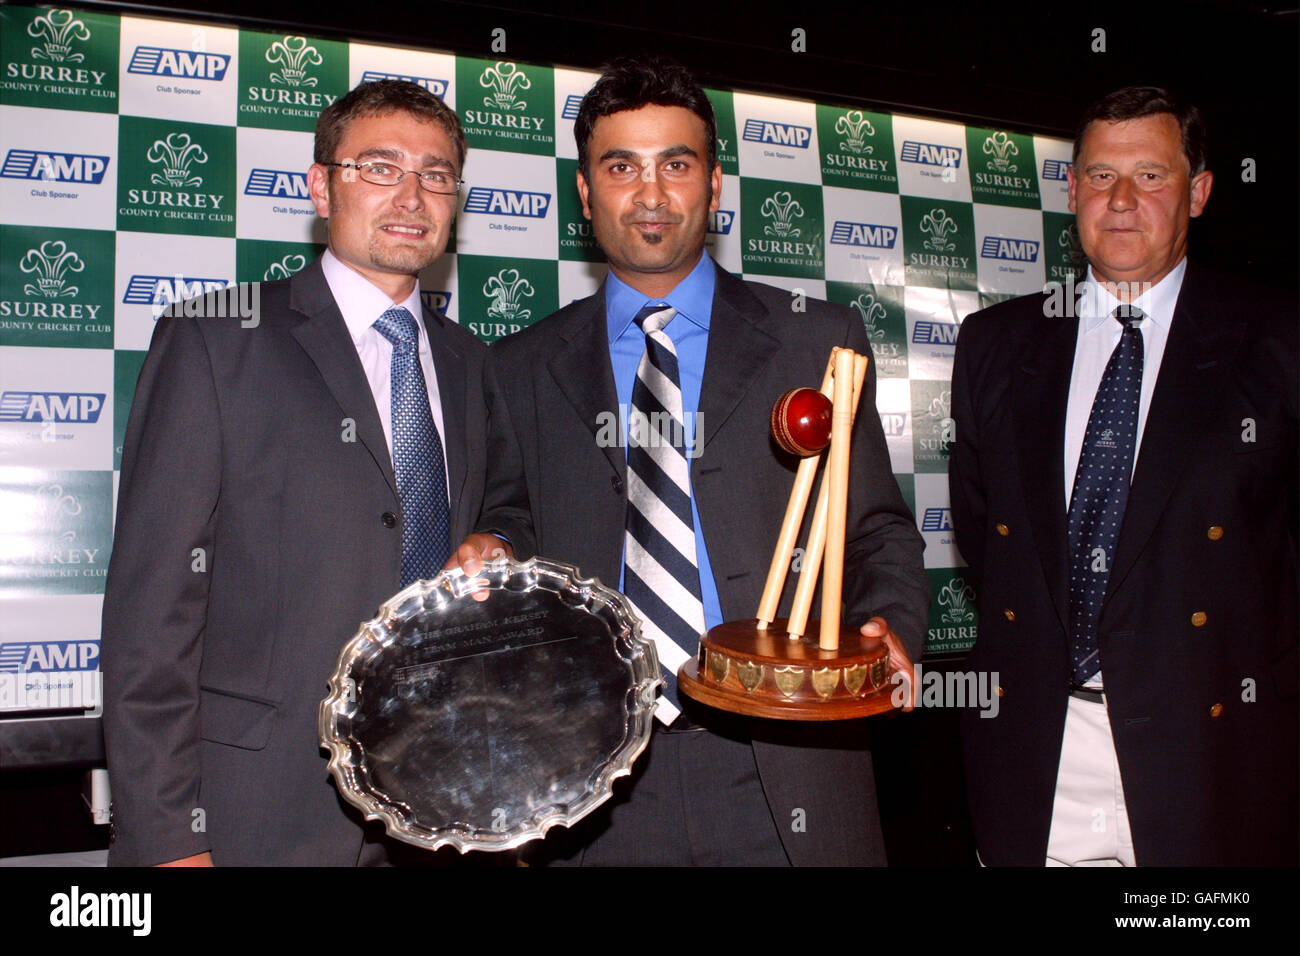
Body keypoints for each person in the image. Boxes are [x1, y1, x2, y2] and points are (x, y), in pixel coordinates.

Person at [450, 56, 928, 865]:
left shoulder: (819, 339)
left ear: (713, 186)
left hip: (788, 756)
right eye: (621, 166)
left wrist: (894, 628)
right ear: (584, 193)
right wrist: (493, 546)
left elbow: (877, 527)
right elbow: (514, 515)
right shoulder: (521, 364)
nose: (649, 192)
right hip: (595, 780)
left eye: (676, 164)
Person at [102, 80, 491, 866]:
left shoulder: (471, 362)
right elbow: (151, 619)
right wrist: (168, 840)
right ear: (321, 186)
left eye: (436, 173)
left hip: (441, 812)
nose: (411, 196)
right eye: (378, 168)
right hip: (253, 817)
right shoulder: (215, 341)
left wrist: (493, 535)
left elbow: (502, 501)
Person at [949, 86, 1297, 866]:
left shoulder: (1279, 341)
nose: (1122, 201)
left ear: (1199, 192)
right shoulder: (996, 345)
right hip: (1039, 759)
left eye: (1151, 176)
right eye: (1101, 177)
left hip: (1212, 768)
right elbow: (986, 538)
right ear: (1071, 191)